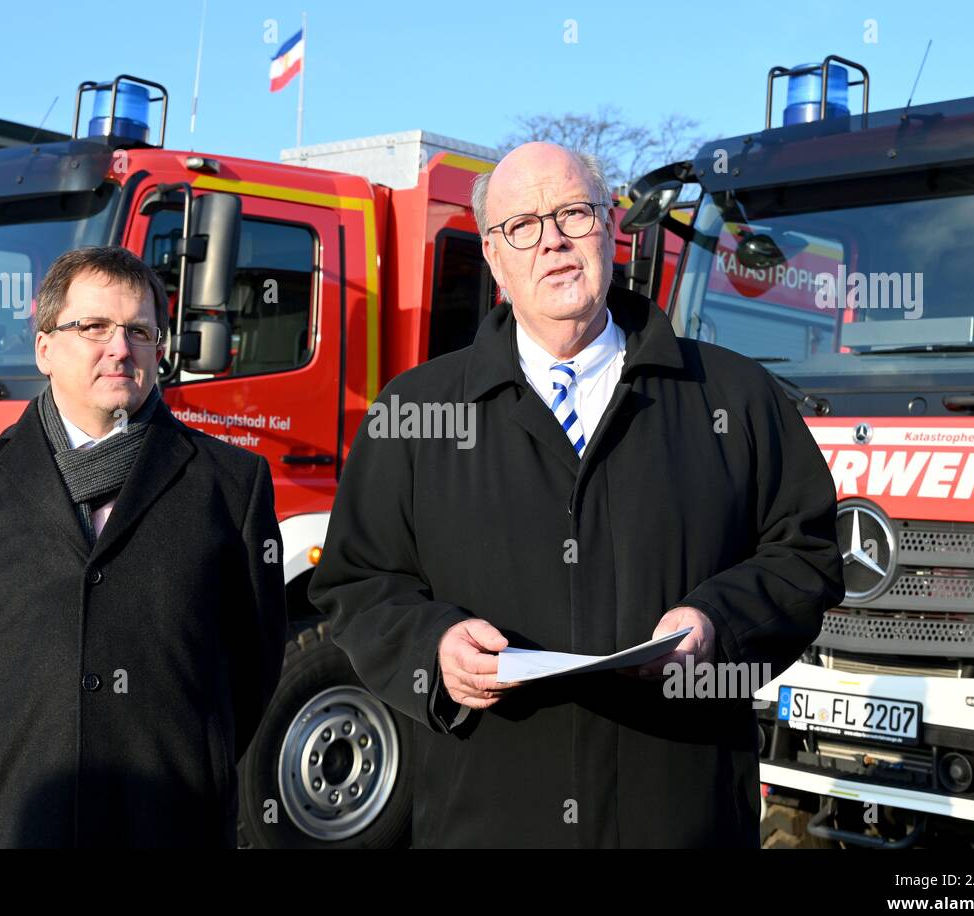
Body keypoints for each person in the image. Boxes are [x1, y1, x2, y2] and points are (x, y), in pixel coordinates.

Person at [309, 142, 844, 847]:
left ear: (612, 232)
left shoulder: (734, 397)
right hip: (487, 822)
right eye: (522, 226)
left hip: (685, 820)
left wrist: (719, 627)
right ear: (495, 260)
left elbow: (805, 555)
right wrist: (432, 648)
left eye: (573, 213)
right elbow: (358, 585)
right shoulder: (414, 412)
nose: (552, 240)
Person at [0, 246, 286, 847]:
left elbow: (255, 663)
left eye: (139, 330)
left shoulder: (232, 485)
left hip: (172, 820)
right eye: (93, 327)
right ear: (45, 348)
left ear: (158, 351)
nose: (120, 347)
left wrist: (198, 755)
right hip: (20, 818)